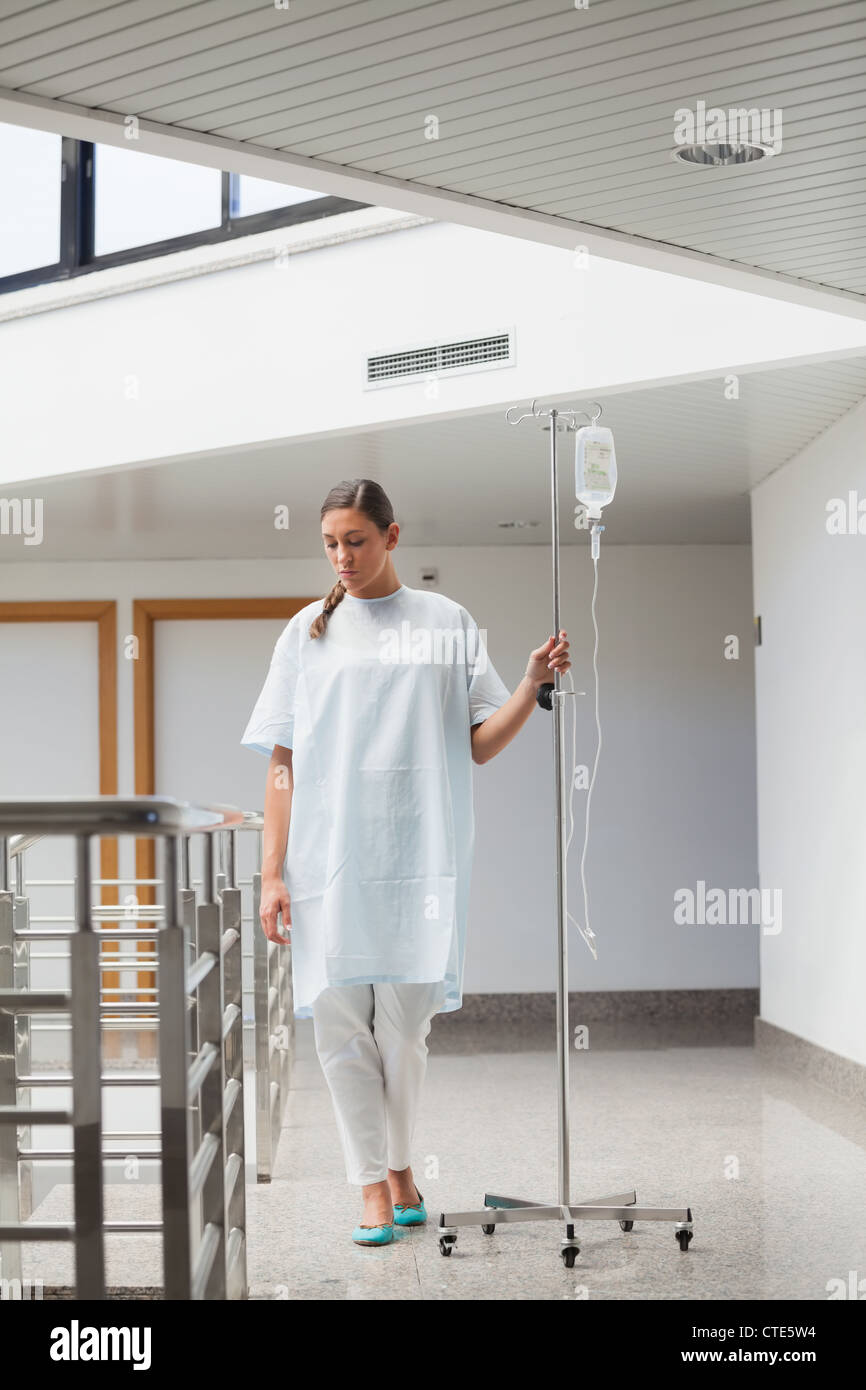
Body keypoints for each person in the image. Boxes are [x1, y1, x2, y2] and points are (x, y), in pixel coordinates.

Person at [240, 478, 570, 1245]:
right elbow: (281, 764)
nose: (342, 557)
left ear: (393, 537)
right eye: (329, 543)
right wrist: (272, 872)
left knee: (404, 1033)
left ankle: (398, 1164)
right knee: (338, 1030)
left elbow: (478, 743)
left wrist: (530, 684)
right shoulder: (306, 633)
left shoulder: (444, 623)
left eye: (355, 540)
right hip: (328, 866)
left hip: (420, 862)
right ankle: (372, 1187)